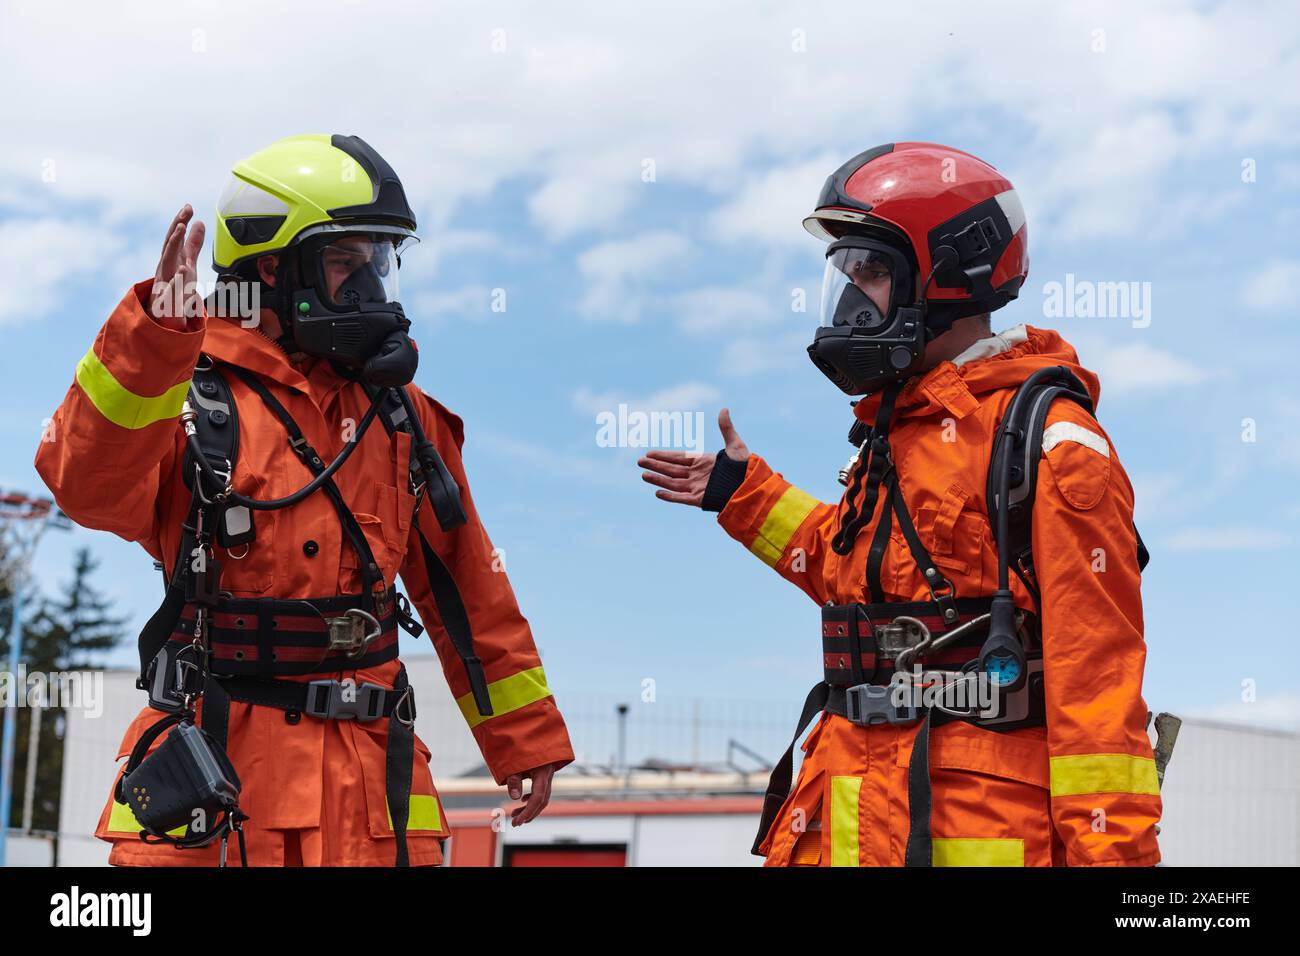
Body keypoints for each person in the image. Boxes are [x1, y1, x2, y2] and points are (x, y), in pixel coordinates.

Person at [36, 134, 573, 867]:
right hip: (213, 793)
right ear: (273, 266)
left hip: (374, 803)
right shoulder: (187, 395)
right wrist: (153, 339)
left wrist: (526, 739)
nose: (369, 288)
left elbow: (470, 592)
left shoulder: (405, 418)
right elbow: (87, 487)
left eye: (378, 263)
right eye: (345, 262)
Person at [640, 142, 1161, 867]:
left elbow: (1098, 690)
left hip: (973, 826)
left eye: (874, 270)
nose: (852, 295)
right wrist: (744, 495)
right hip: (847, 812)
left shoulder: (1052, 444)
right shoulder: (895, 434)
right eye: (845, 273)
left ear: (949, 272)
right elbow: (856, 576)